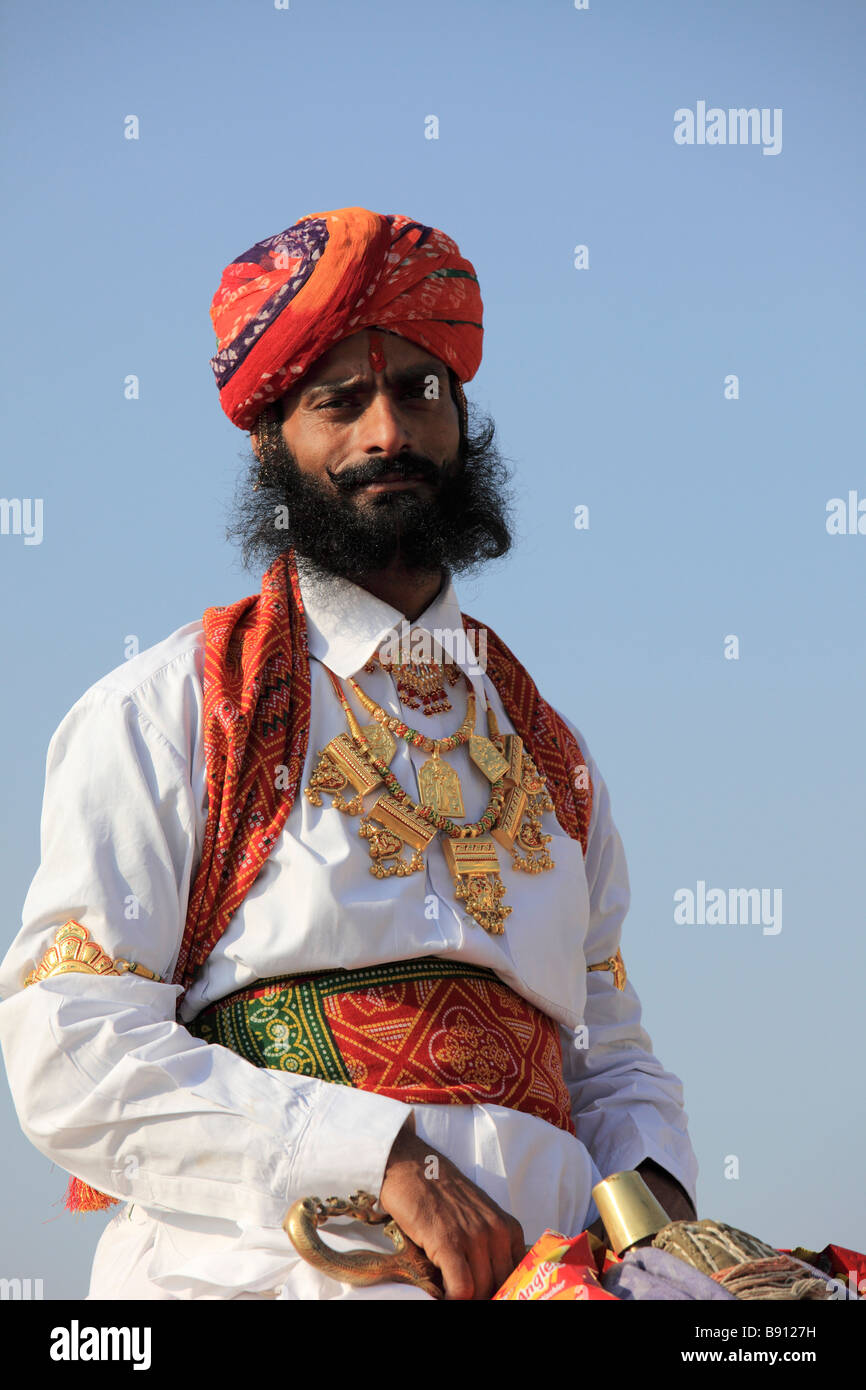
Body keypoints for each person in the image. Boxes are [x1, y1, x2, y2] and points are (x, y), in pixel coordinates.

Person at [0, 207, 698, 1301]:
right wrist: (377, 1157)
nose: (388, 433)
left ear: (461, 418)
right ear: (271, 440)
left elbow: (605, 1055)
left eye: (419, 391)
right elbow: (71, 1046)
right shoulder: (172, 710)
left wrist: (659, 1229)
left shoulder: (549, 753)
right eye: (340, 401)